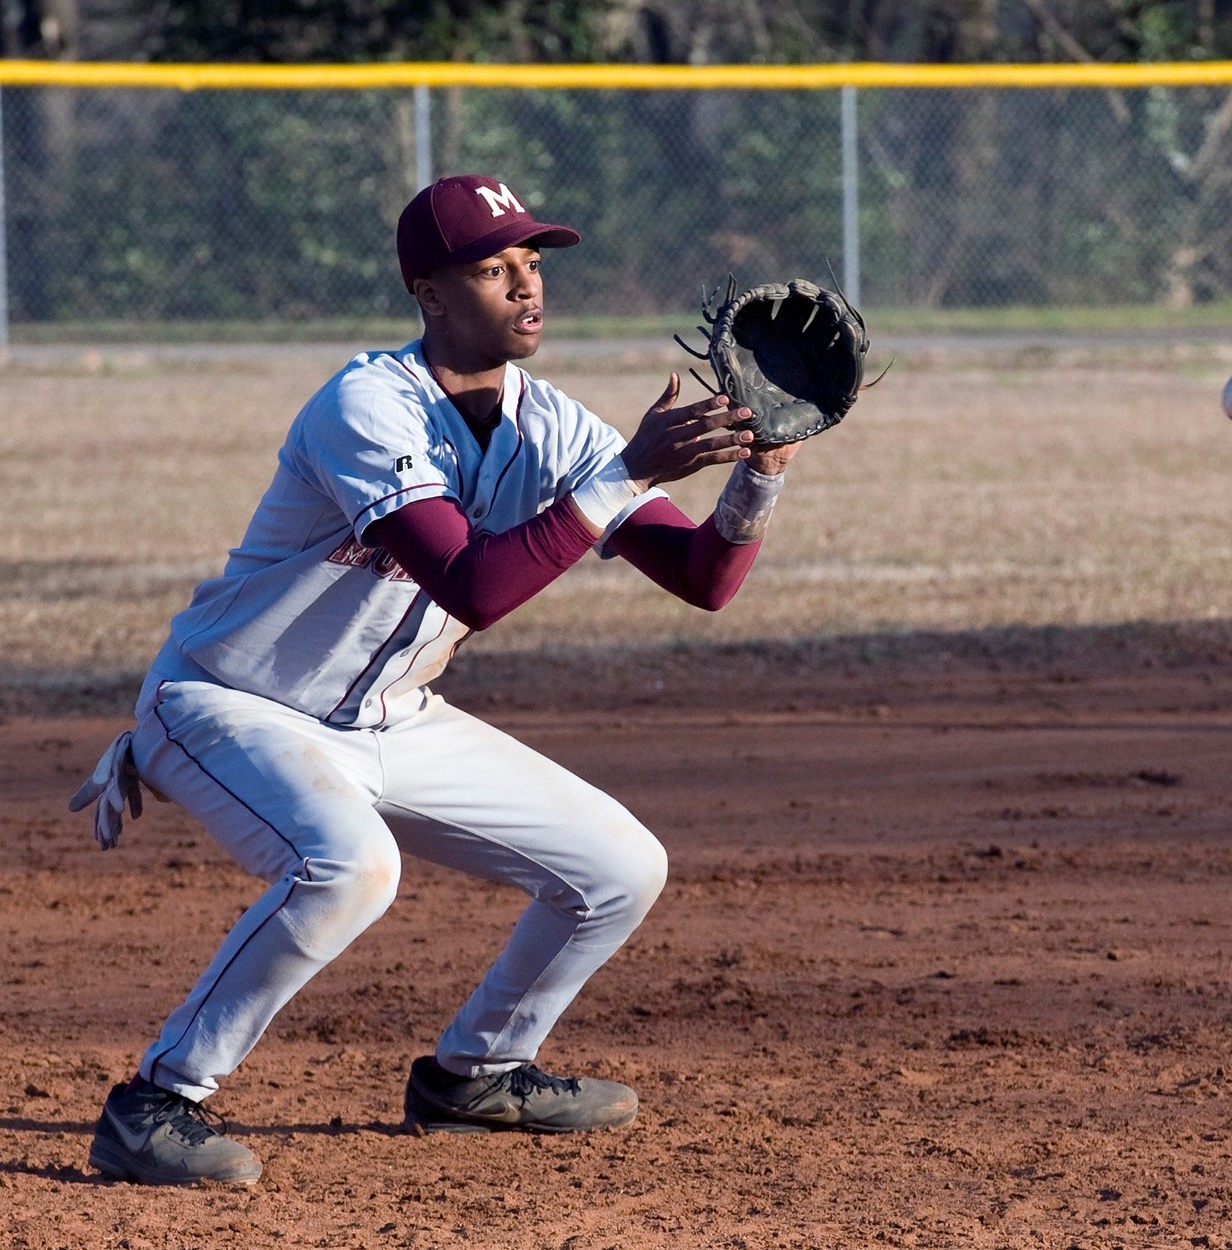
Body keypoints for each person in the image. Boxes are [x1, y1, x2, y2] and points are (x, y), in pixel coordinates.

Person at [76, 173, 799, 1186]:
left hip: (391, 717)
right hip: (228, 705)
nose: (526, 285)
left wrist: (761, 469)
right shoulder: (368, 406)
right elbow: (472, 584)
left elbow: (703, 579)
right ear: (429, 293)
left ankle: (477, 1075)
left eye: (532, 263)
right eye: (494, 268)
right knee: (349, 867)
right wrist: (627, 473)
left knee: (620, 866)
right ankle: (155, 1102)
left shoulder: (556, 427)